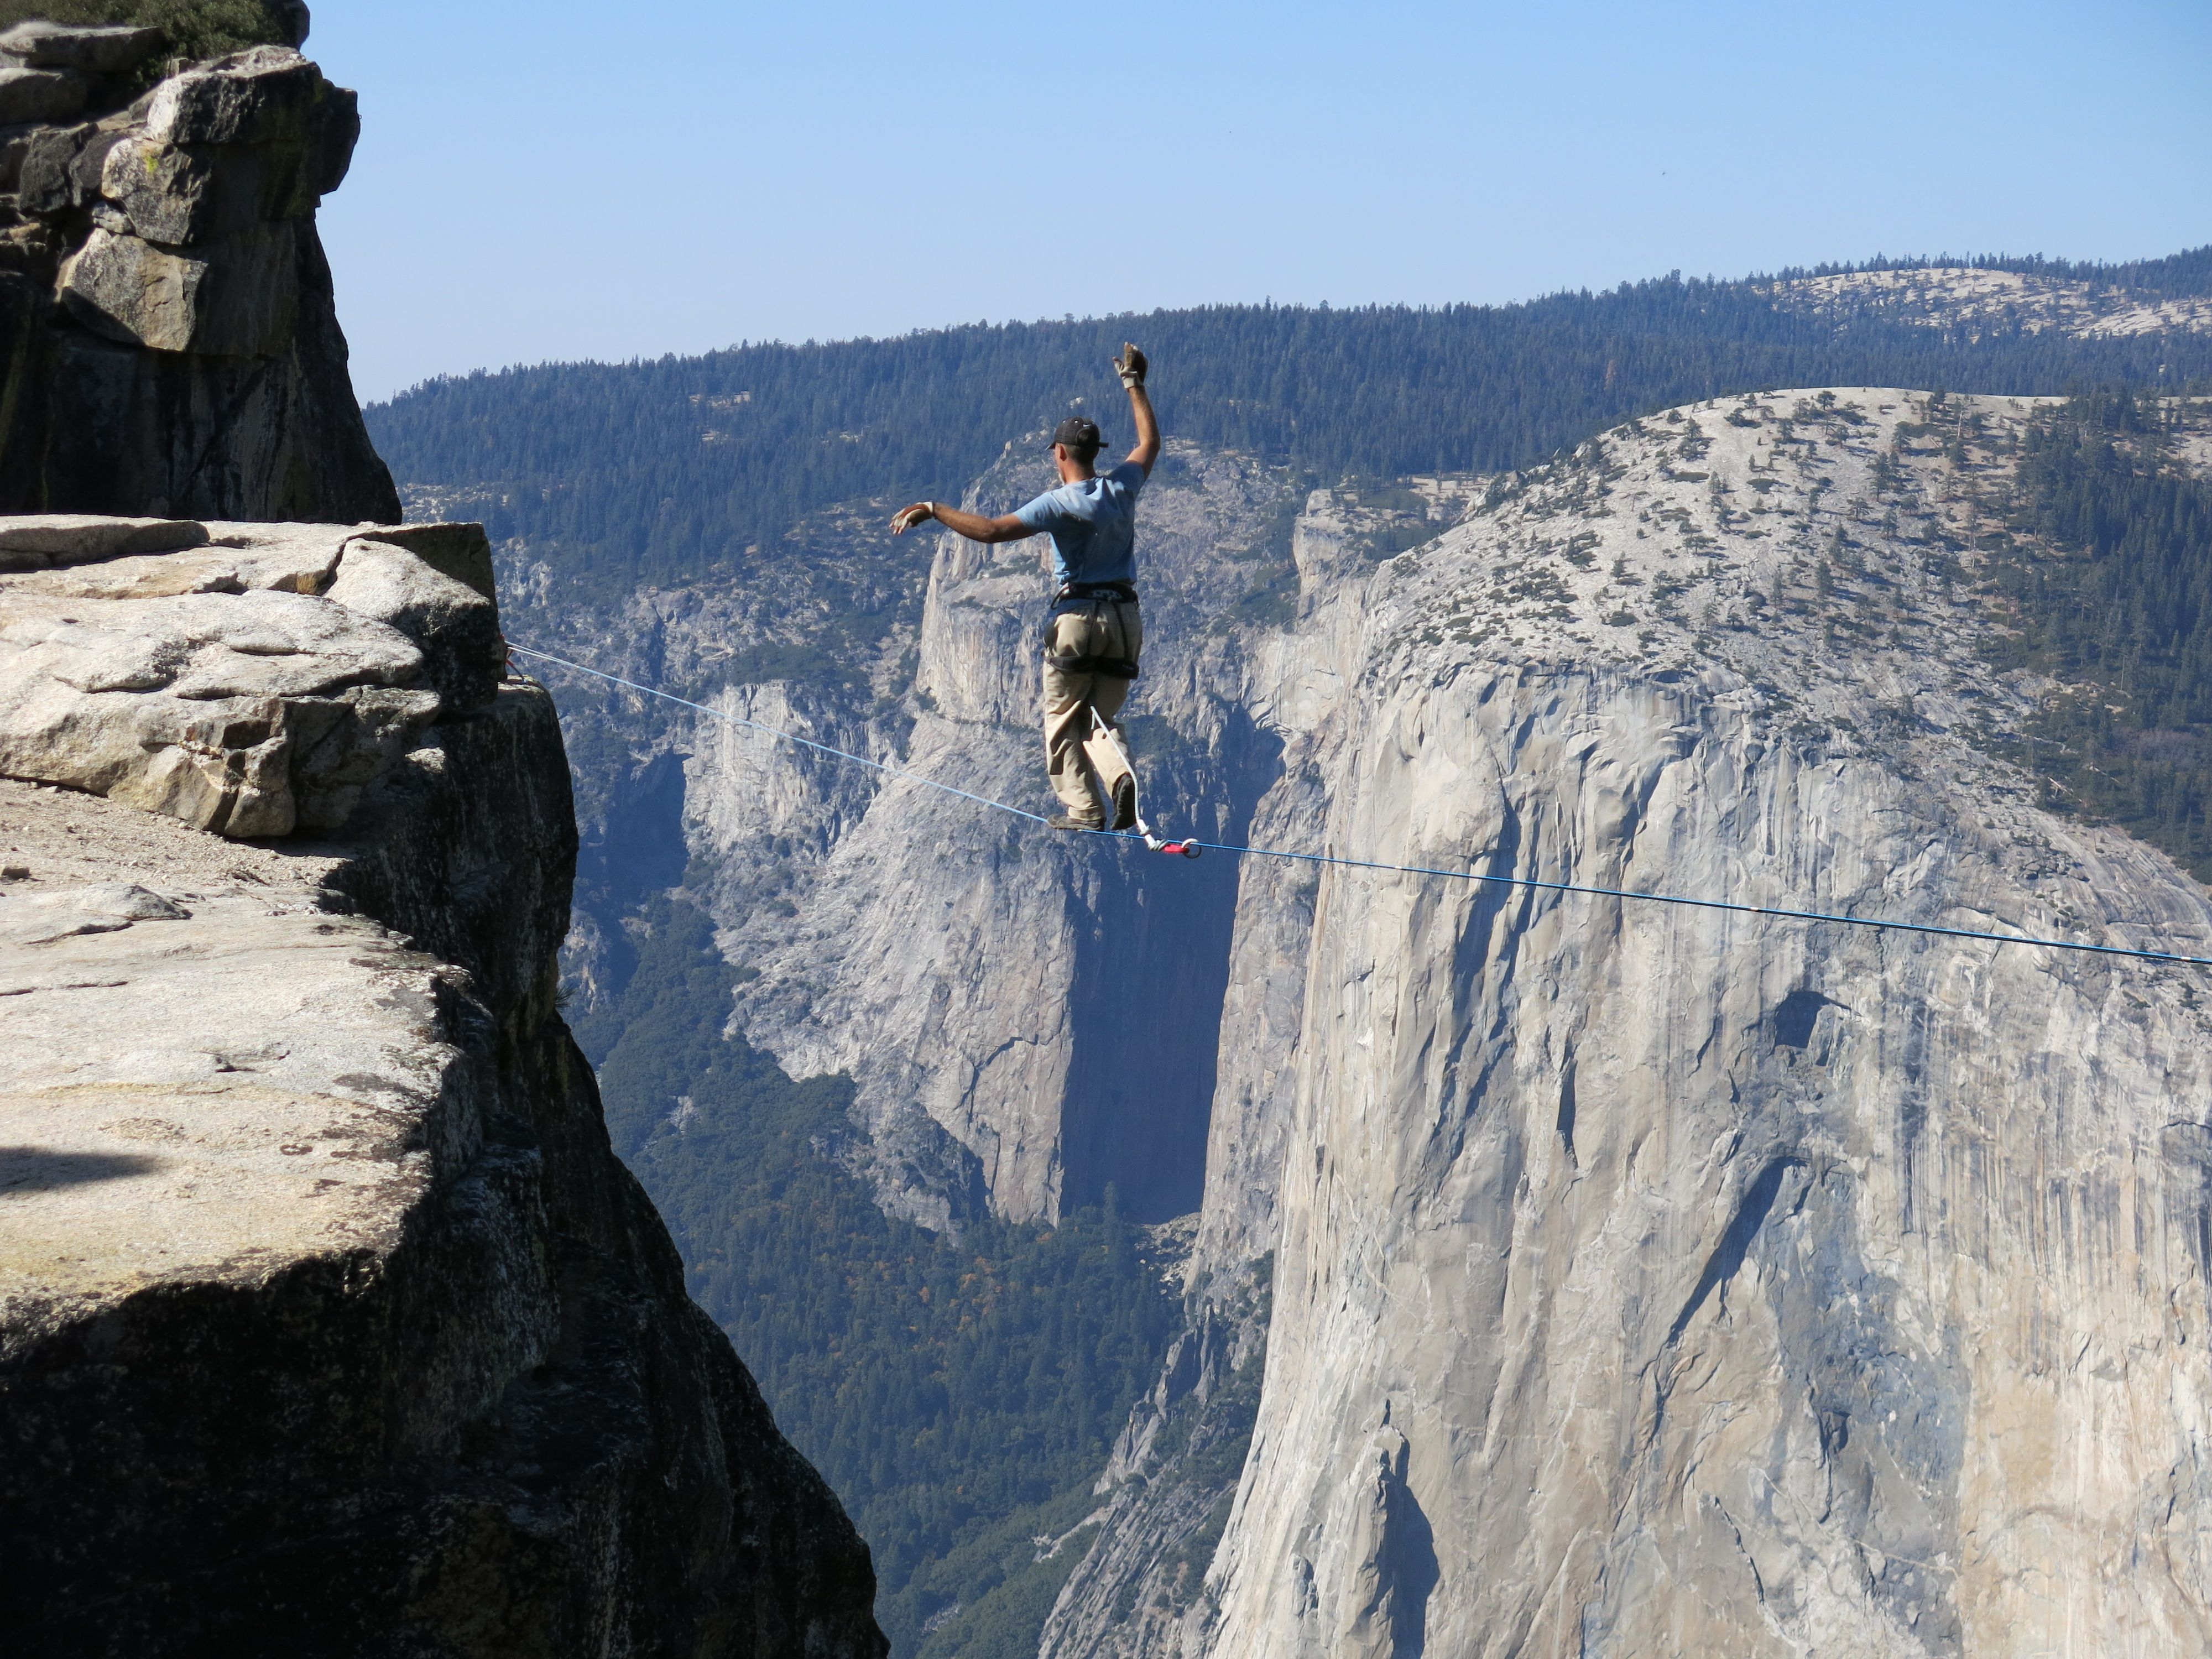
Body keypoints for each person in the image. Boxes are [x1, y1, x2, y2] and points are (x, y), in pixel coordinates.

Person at [890, 345, 1159, 832]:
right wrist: (1134, 385)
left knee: (1061, 720)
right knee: (1095, 718)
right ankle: (1120, 775)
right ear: (1095, 454)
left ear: (1059, 454)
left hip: (1077, 619)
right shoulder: (1122, 487)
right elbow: (1149, 443)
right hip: (1125, 619)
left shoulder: (1057, 504)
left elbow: (991, 532)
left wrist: (934, 508)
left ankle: (1086, 810)